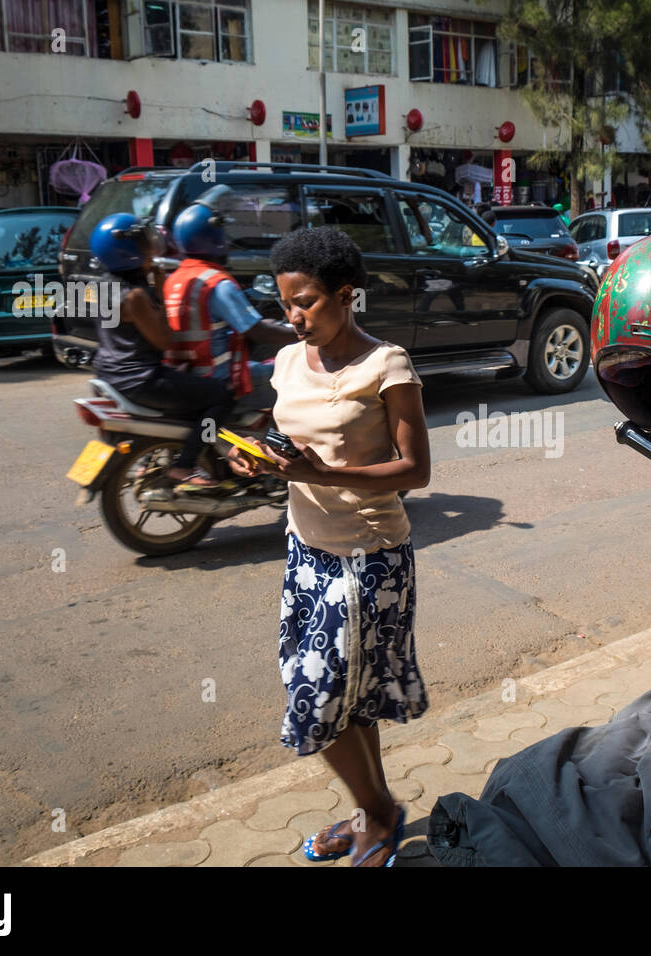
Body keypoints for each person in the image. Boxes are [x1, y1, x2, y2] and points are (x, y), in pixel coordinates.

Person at [227, 226, 430, 867]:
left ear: (347, 296)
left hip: (368, 561)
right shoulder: (288, 361)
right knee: (349, 699)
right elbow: (288, 437)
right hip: (306, 554)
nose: (293, 317)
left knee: (318, 702)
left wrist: (323, 475)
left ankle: (377, 813)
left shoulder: (387, 365)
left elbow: (416, 470)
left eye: (307, 302)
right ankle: (375, 810)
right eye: (285, 302)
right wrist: (255, 459)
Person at [89, 213, 234, 491]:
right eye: (143, 243)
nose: (150, 247)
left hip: (111, 373)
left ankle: (157, 455)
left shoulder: (100, 286)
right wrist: (162, 290)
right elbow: (164, 341)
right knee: (221, 395)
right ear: (128, 252)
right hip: (141, 379)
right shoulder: (135, 297)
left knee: (189, 389)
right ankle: (185, 465)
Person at [162, 187, 302, 416]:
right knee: (300, 374)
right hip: (218, 379)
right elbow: (259, 332)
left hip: (186, 375)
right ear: (215, 239)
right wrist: (306, 334)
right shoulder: (217, 283)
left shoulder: (174, 278)